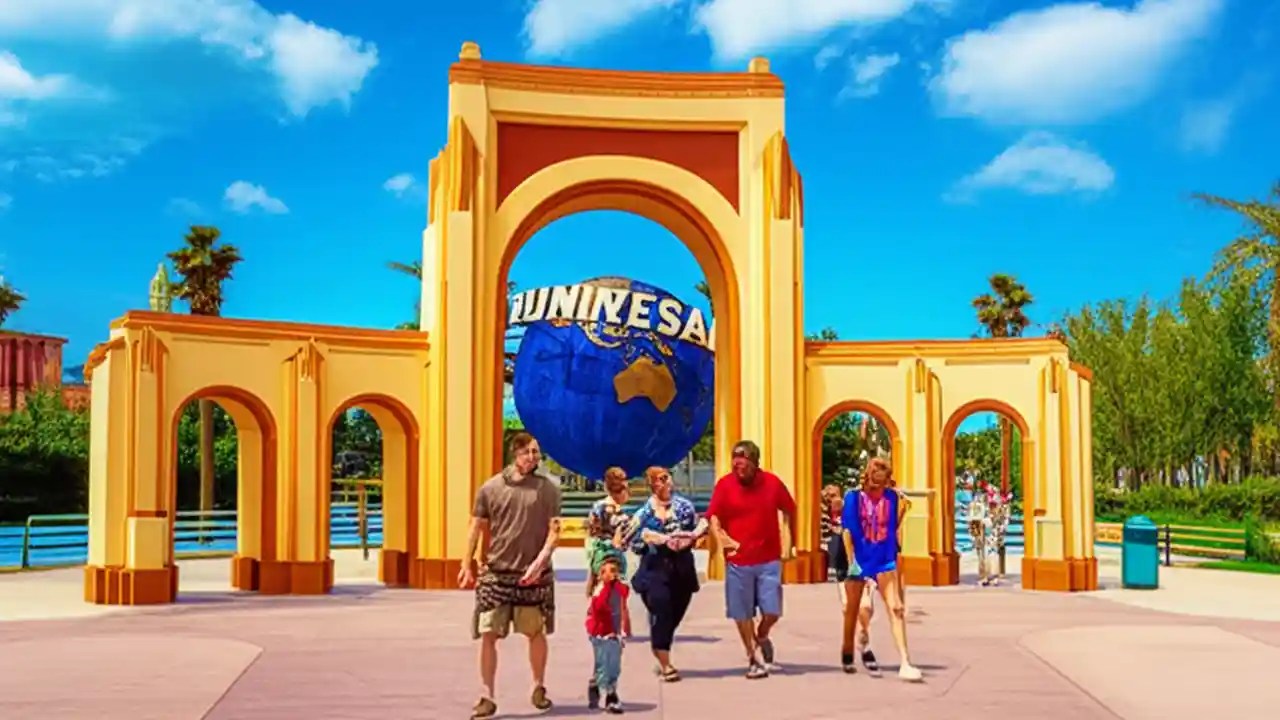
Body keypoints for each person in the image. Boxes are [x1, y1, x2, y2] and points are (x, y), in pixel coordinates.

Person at [458, 432, 562, 719]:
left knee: (535, 632)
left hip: (533, 575)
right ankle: (486, 695)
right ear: (515, 454)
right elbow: (476, 527)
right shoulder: (491, 488)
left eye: (536, 452)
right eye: (527, 452)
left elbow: (554, 532)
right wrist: (466, 563)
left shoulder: (548, 489)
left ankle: (538, 686)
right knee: (488, 633)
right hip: (497, 573)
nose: (532, 457)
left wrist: (540, 562)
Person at [706, 440, 797, 680]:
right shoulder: (725, 485)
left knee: (773, 611)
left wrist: (789, 541)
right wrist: (721, 538)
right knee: (742, 612)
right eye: (735, 463)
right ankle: (752, 657)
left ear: (755, 463)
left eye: (744, 464)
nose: (739, 468)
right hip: (738, 561)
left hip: (768, 559)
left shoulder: (772, 483)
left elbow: (789, 509)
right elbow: (714, 516)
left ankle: (762, 634)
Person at [840, 458, 922, 682]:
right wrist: (852, 562)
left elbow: (893, 527)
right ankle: (860, 637)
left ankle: (905, 662)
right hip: (861, 560)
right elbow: (848, 532)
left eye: (883, 484)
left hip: (885, 560)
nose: (878, 488)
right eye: (875, 483)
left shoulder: (892, 498)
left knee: (896, 608)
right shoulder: (853, 498)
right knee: (863, 608)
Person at [622, 466, 705, 683]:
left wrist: (692, 538)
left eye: (667, 478)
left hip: (682, 569)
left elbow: (697, 530)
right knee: (662, 612)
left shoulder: (684, 507)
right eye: (660, 479)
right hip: (655, 569)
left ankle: (661, 643)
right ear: (652, 484)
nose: (666, 482)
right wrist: (648, 539)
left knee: (674, 613)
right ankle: (665, 662)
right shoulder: (643, 514)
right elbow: (630, 542)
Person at [824, 483, 881, 674]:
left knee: (866, 608)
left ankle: (862, 640)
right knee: (849, 607)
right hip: (846, 568)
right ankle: (861, 648)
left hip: (868, 567)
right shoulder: (842, 523)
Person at [585, 555, 632, 714]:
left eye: (614, 570)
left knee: (614, 665)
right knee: (604, 663)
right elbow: (599, 609)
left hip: (615, 633)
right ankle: (603, 690)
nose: (611, 574)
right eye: (607, 571)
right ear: (600, 573)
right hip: (600, 634)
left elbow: (623, 605)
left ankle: (608, 692)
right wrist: (605, 586)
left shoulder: (619, 588)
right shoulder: (599, 590)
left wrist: (625, 628)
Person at [585, 467, 632, 597]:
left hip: (597, 557)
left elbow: (590, 533)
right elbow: (619, 543)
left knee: (597, 595)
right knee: (611, 599)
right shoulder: (620, 516)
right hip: (612, 562)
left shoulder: (597, 506)